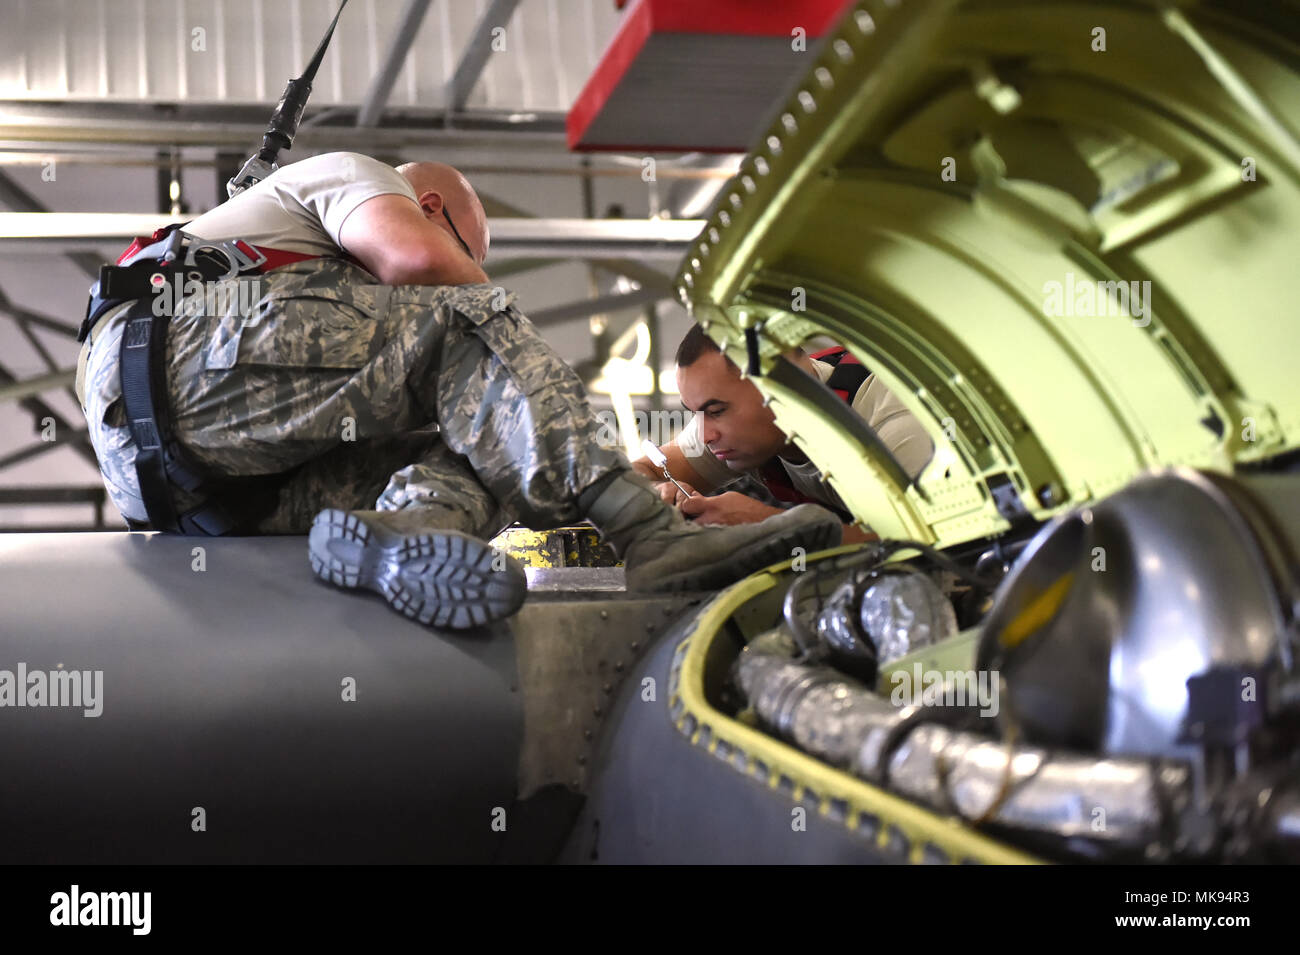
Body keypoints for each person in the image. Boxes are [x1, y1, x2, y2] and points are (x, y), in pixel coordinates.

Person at [74, 153, 841, 629]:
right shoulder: (355, 176)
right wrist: (506, 341)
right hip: (179, 353)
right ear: (433, 207)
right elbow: (418, 263)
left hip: (195, 490)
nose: (470, 266)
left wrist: (534, 432)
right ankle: (649, 540)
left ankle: (411, 531)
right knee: (468, 322)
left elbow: (483, 413)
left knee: (484, 440)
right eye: (470, 250)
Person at [631, 324, 933, 544]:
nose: (705, 434)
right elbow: (641, 471)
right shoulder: (728, 433)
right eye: (695, 412)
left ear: (784, 390)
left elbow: (928, 546)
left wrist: (771, 525)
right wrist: (657, 491)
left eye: (717, 410)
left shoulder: (892, 421)